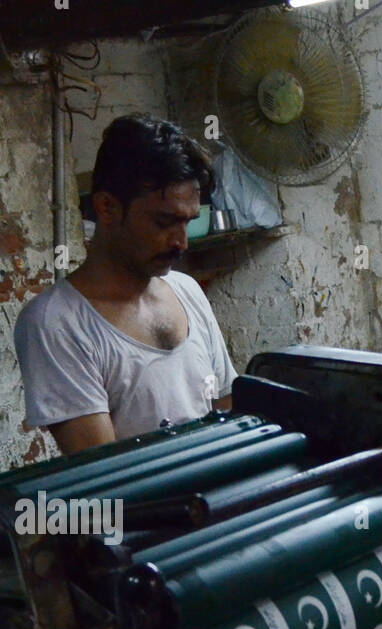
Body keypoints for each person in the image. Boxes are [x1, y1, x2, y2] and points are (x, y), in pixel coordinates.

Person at [14, 114, 236, 455]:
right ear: (107, 207)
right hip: (148, 509)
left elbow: (228, 412)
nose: (182, 242)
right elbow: (105, 474)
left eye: (187, 223)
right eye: (165, 221)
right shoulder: (57, 323)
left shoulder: (187, 291)